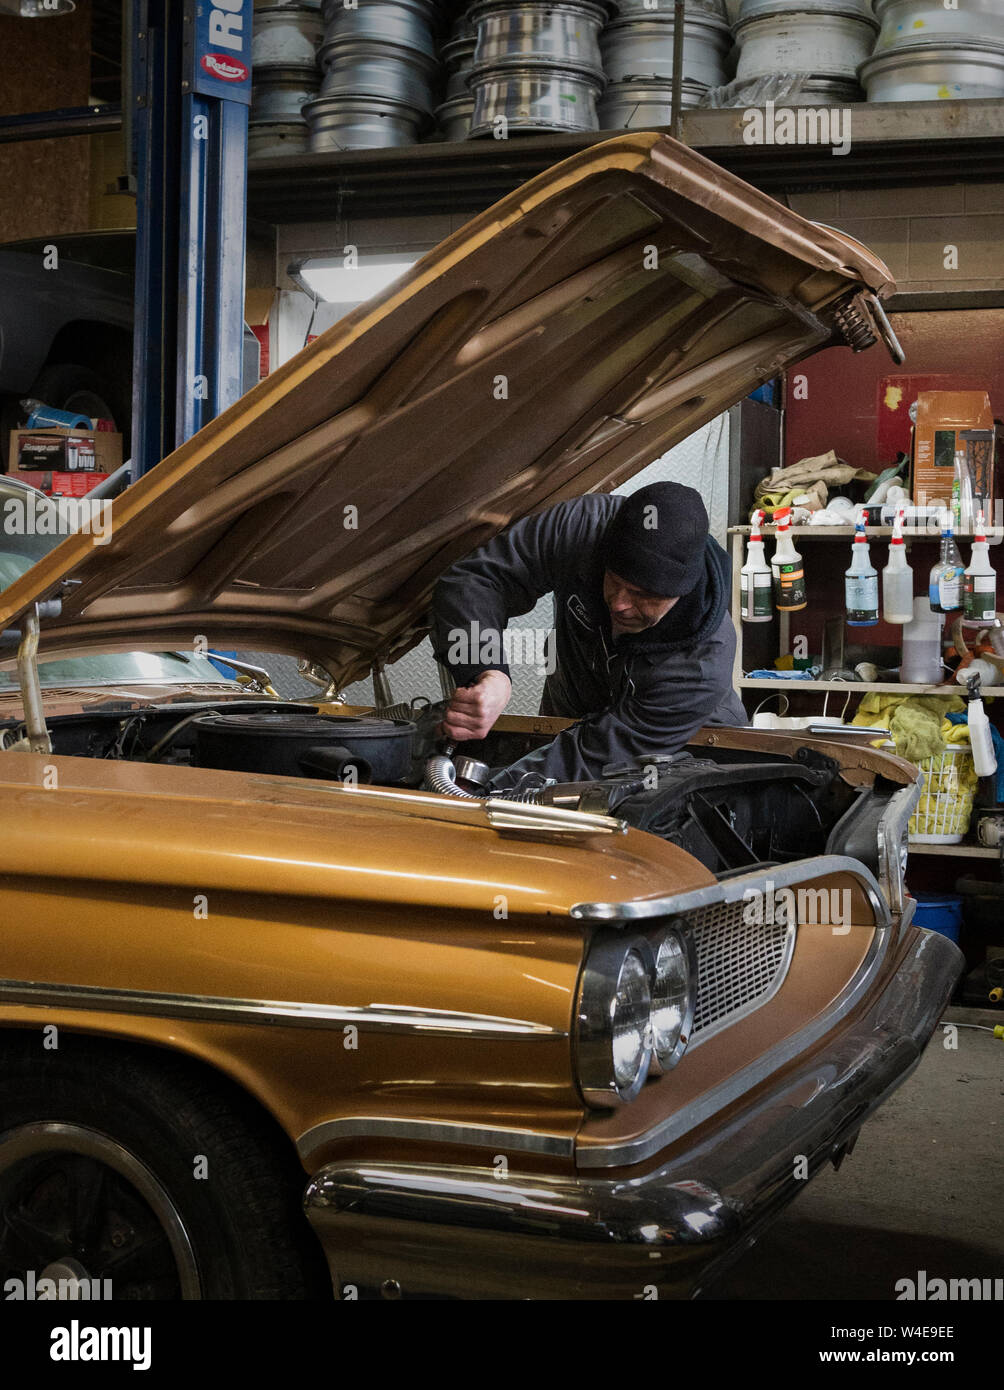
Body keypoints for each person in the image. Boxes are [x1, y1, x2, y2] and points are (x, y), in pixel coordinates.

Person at [430, 480, 748, 791]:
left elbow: (596, 758)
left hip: (686, 744)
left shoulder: (704, 663)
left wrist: (486, 797)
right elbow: (477, 581)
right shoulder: (583, 529)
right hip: (568, 715)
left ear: (680, 593)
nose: (620, 603)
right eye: (614, 579)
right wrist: (487, 670)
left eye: (642, 594)